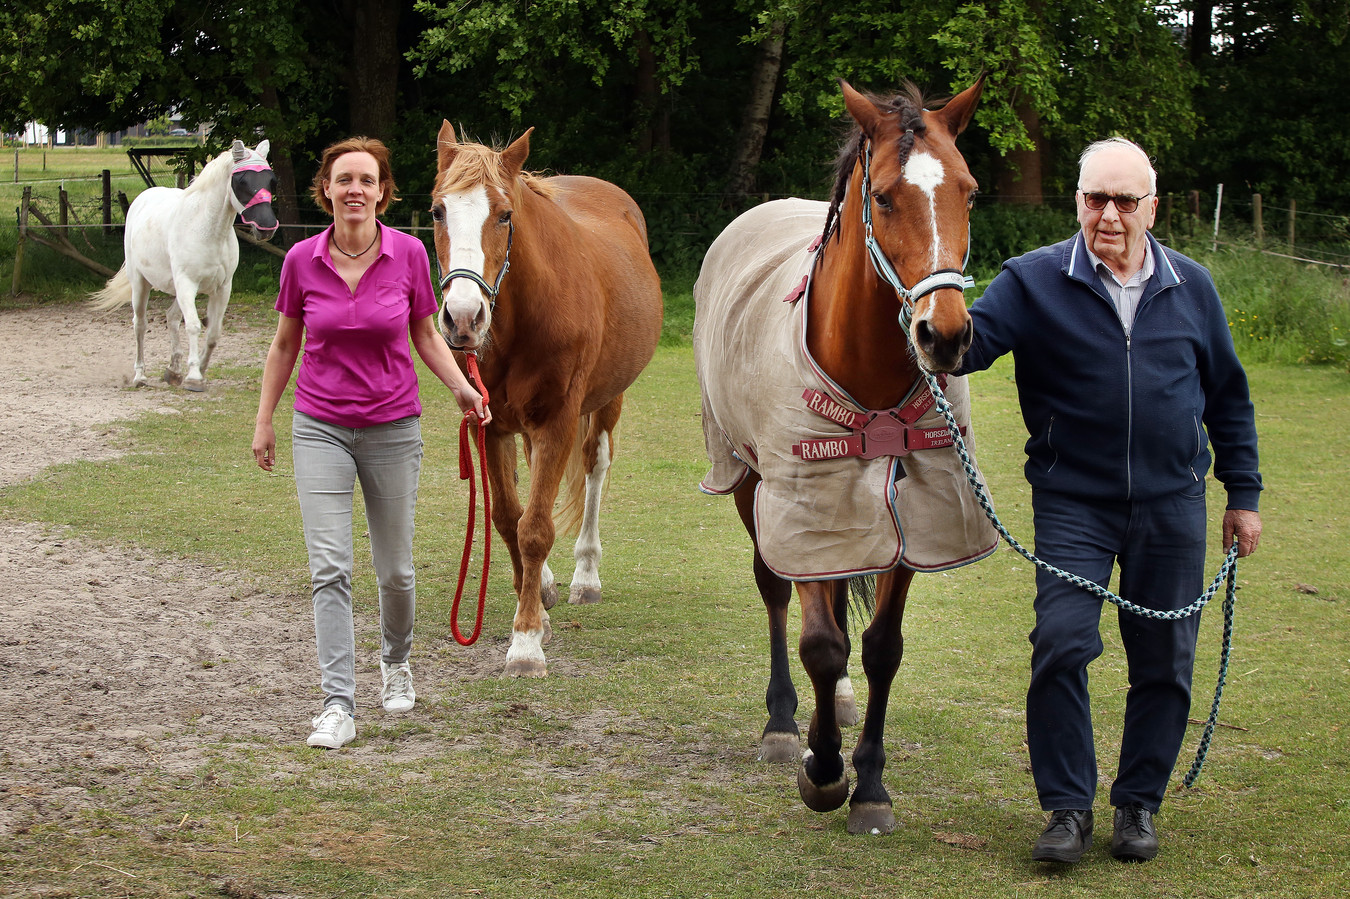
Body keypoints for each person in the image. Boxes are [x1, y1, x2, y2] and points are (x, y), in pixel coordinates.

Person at [958, 137, 1263, 863]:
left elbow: (1229, 396)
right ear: (1078, 201)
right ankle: (1066, 809)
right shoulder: (1032, 280)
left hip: (1174, 505)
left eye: (1126, 200)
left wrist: (1242, 494)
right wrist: (915, 301)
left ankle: (1137, 805)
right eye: (1097, 198)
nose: (1110, 214)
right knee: (1061, 644)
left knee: (1164, 658)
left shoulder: (1193, 286)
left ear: (1150, 208)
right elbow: (961, 344)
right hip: (1073, 503)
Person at [252, 137, 490, 750]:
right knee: (329, 567)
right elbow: (284, 346)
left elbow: (425, 335)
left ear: (384, 192)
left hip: (392, 427)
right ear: (325, 190)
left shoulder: (410, 254)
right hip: (320, 426)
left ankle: (396, 660)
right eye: (343, 179)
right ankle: (337, 702)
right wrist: (265, 418)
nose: (354, 189)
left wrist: (463, 388)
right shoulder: (301, 261)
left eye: (366, 180)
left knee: (397, 572)